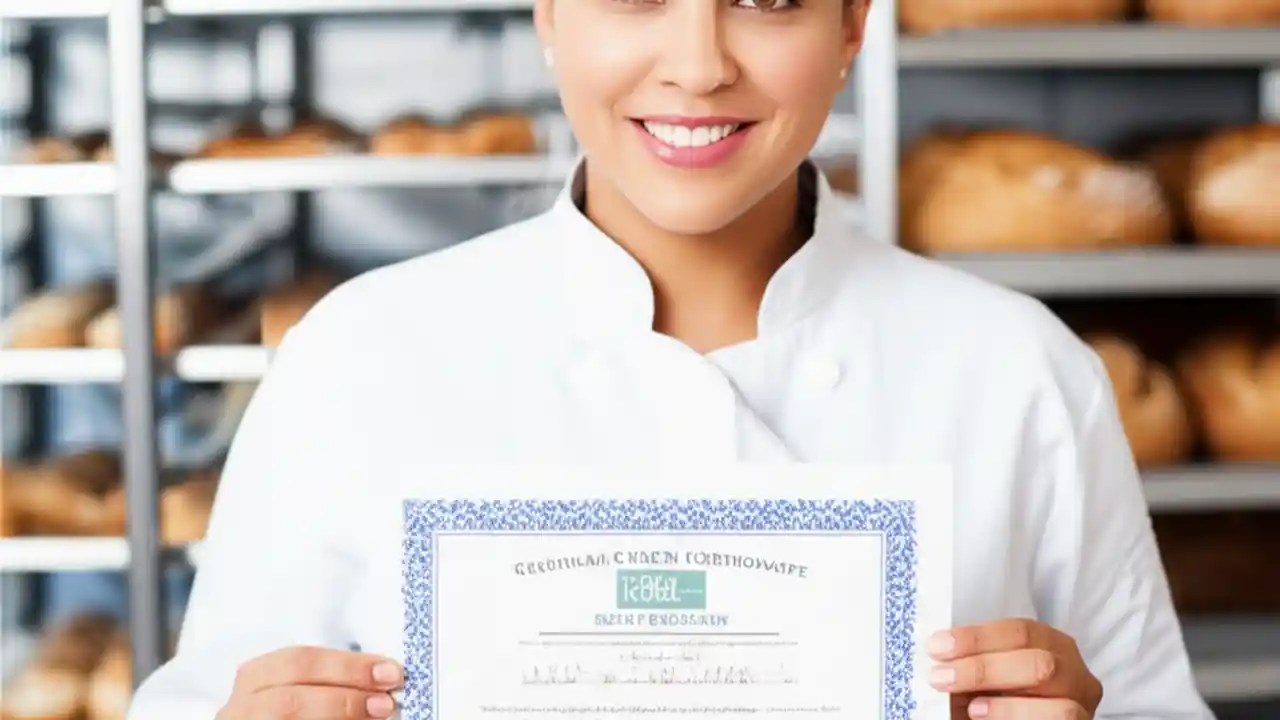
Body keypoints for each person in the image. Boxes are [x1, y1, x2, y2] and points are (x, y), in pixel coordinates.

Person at [127, 1, 1213, 718]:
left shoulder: (1017, 370)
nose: (697, 64)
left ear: (851, 28)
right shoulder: (359, 356)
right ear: (548, 16)